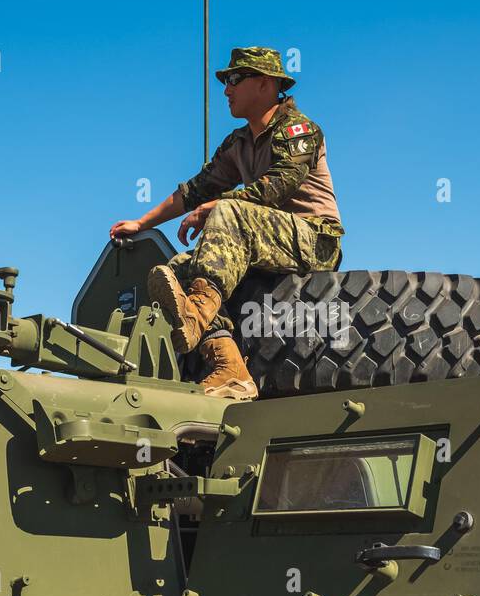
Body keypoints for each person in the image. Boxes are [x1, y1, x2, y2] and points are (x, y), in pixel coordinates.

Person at [109, 46, 343, 399]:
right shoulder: (238, 143)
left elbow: (277, 186)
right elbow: (195, 191)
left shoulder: (299, 130)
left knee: (227, 212)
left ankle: (197, 313)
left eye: (234, 79)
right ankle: (229, 367)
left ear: (265, 84)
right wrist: (141, 222)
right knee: (179, 269)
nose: (226, 89)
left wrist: (215, 207)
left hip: (314, 240)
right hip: (262, 242)